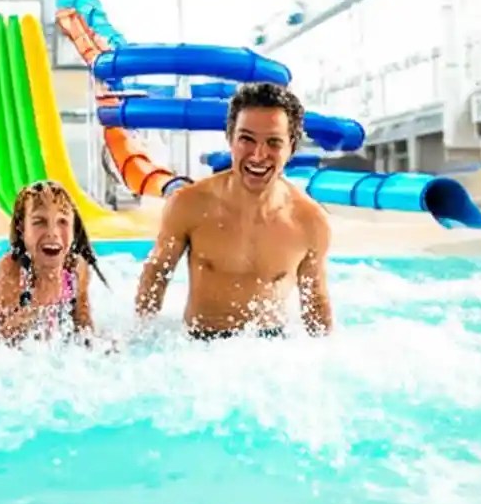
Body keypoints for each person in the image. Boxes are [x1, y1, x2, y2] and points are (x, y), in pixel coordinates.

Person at [135, 82, 333, 339]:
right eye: (246, 139)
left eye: (273, 142)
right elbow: (156, 273)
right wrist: (141, 336)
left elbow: (316, 303)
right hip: (199, 343)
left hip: (271, 344)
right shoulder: (189, 205)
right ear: (230, 138)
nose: (258, 155)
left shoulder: (310, 221)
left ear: (291, 147)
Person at [0, 180, 106, 346]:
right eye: (39, 222)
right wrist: (36, 305)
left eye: (62, 221)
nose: (52, 233)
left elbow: (83, 324)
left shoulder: (75, 269)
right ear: (22, 228)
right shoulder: (12, 270)